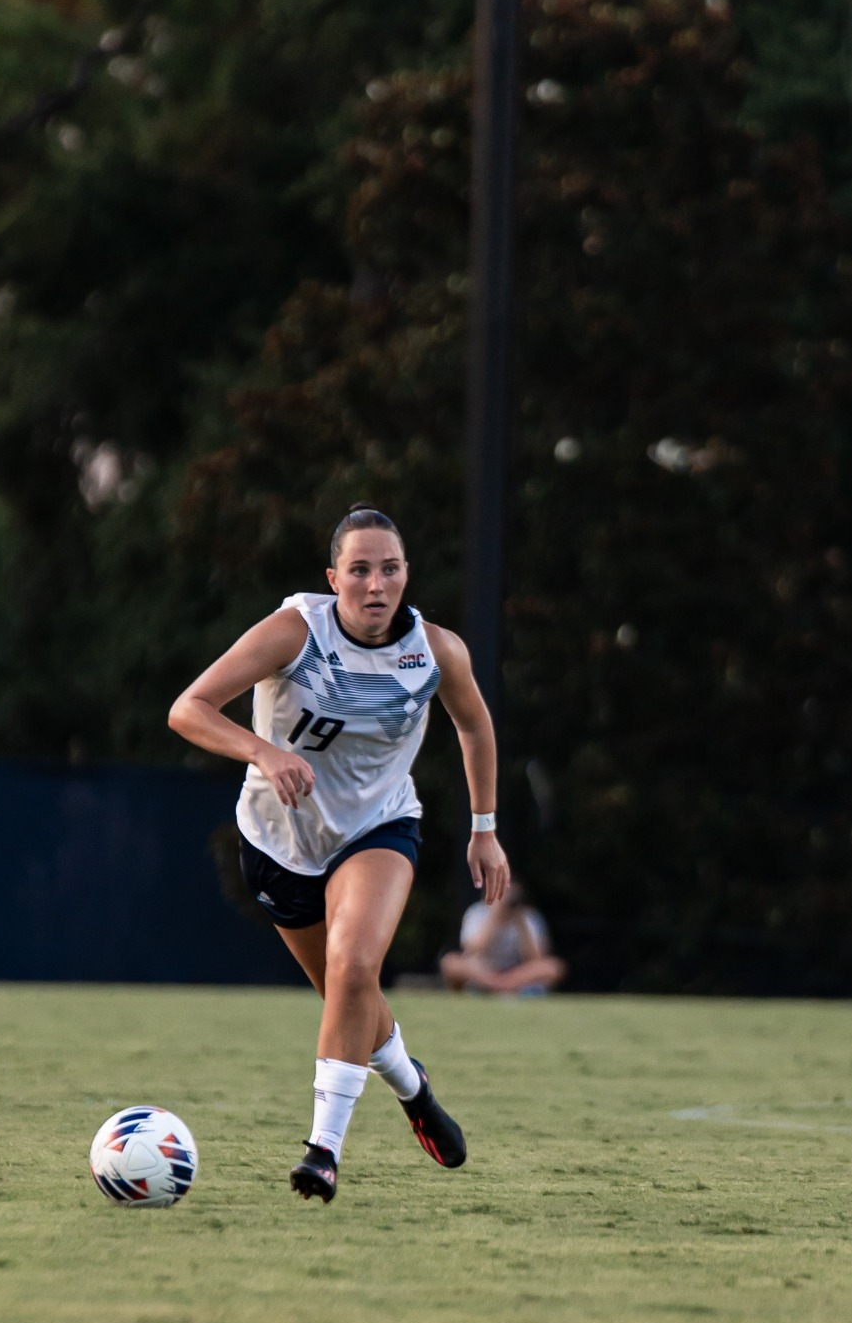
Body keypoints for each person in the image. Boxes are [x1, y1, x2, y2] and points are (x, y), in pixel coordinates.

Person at [168, 504, 509, 1202]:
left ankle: (322, 1151)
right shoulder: (296, 631)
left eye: (390, 569)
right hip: (277, 839)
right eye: (360, 570)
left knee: (355, 966)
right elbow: (189, 708)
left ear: (406, 575)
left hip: (378, 829)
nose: (376, 584)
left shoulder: (436, 651)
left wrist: (484, 826)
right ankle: (415, 1091)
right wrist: (262, 751)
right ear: (334, 578)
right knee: (346, 993)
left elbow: (475, 725)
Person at [441, 881, 567, 995]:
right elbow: (471, 950)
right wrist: (494, 917)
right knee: (450, 962)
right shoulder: (477, 912)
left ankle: (500, 986)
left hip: (516, 972)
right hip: (483, 970)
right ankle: (500, 987)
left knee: (554, 967)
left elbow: (536, 958)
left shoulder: (529, 917)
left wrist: (520, 923)